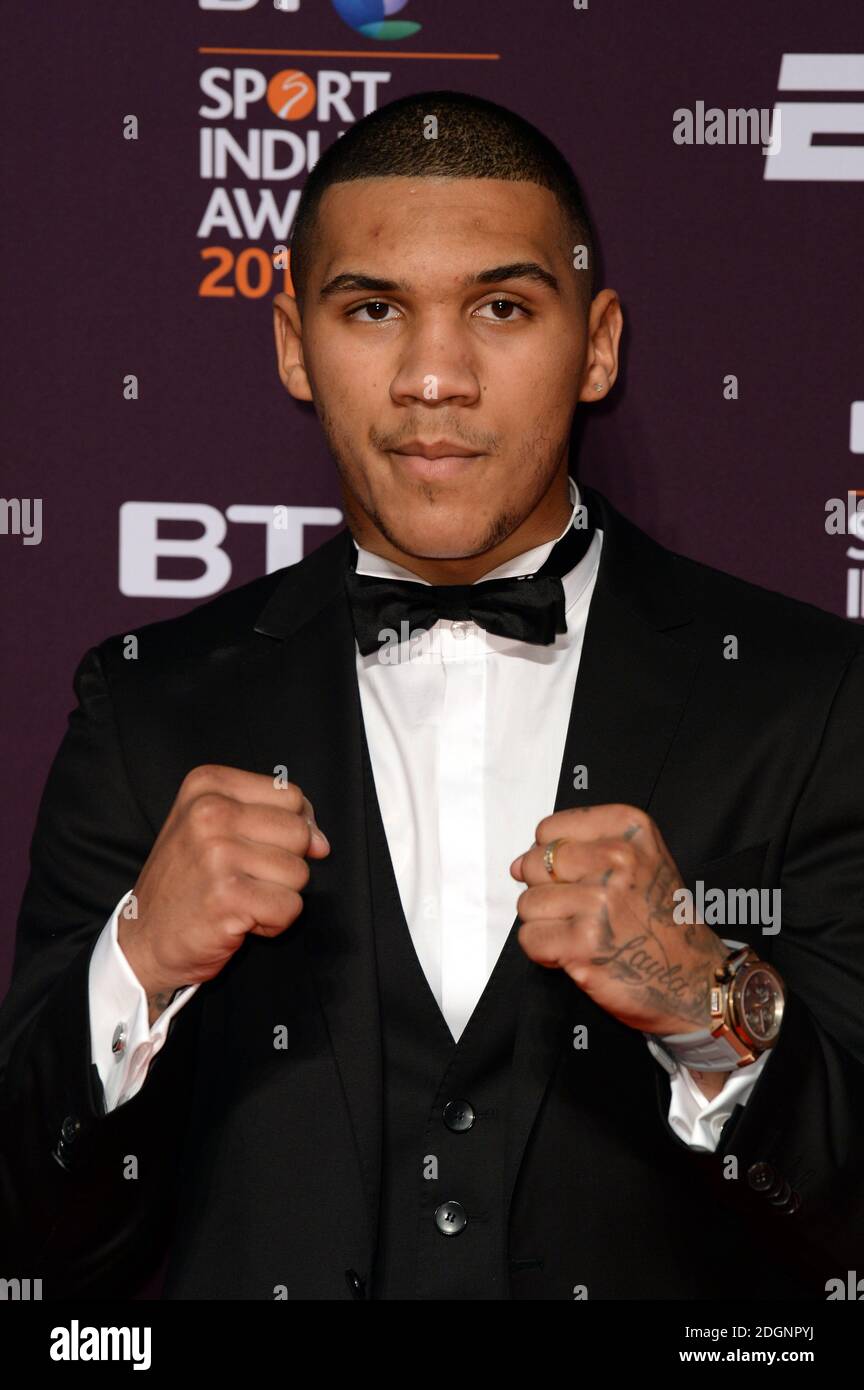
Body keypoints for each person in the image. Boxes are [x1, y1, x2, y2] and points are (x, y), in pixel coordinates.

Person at [1, 89, 863, 1301]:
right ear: (295, 345)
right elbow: (34, 1224)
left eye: (502, 307)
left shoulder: (811, 698)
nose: (435, 377)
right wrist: (136, 965)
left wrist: (701, 994)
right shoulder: (147, 710)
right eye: (373, 310)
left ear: (600, 344)